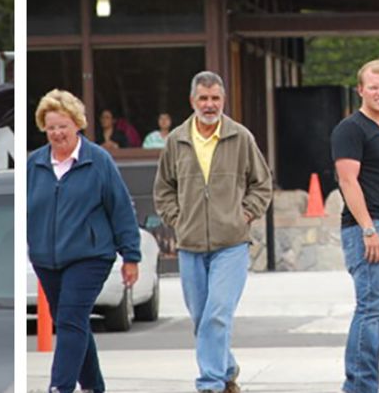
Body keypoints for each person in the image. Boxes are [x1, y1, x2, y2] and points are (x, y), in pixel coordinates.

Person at [153, 71, 272, 393]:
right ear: (193, 101)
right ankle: (227, 366)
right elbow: (163, 189)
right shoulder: (176, 140)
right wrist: (178, 219)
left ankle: (210, 384)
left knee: (217, 314)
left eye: (215, 98)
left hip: (231, 244)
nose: (209, 105)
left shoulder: (240, 137)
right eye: (203, 99)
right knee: (201, 320)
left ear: (223, 100)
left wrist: (245, 213)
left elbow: (262, 183)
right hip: (190, 245)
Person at [28, 89, 141, 393]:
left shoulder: (98, 161)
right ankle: (94, 387)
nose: (57, 133)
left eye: (62, 126)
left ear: (77, 124)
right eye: (50, 127)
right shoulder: (34, 164)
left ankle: (59, 387)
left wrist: (131, 256)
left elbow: (121, 207)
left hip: (90, 256)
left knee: (69, 321)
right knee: (72, 322)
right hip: (46, 259)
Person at [331, 60, 379, 393]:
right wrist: (368, 230)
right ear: (361, 89)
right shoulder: (351, 128)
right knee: (370, 309)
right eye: (374, 87)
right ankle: (360, 388)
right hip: (366, 228)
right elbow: (348, 181)